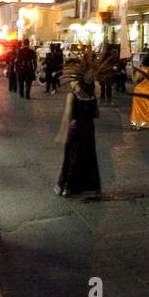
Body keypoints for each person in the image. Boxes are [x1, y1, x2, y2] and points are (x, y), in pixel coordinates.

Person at [55, 52, 102, 199]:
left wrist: (62, 133)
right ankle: (88, 187)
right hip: (89, 132)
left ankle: (67, 187)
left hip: (75, 132)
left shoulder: (73, 96)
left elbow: (67, 116)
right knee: (88, 159)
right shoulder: (92, 97)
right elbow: (97, 114)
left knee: (72, 159)